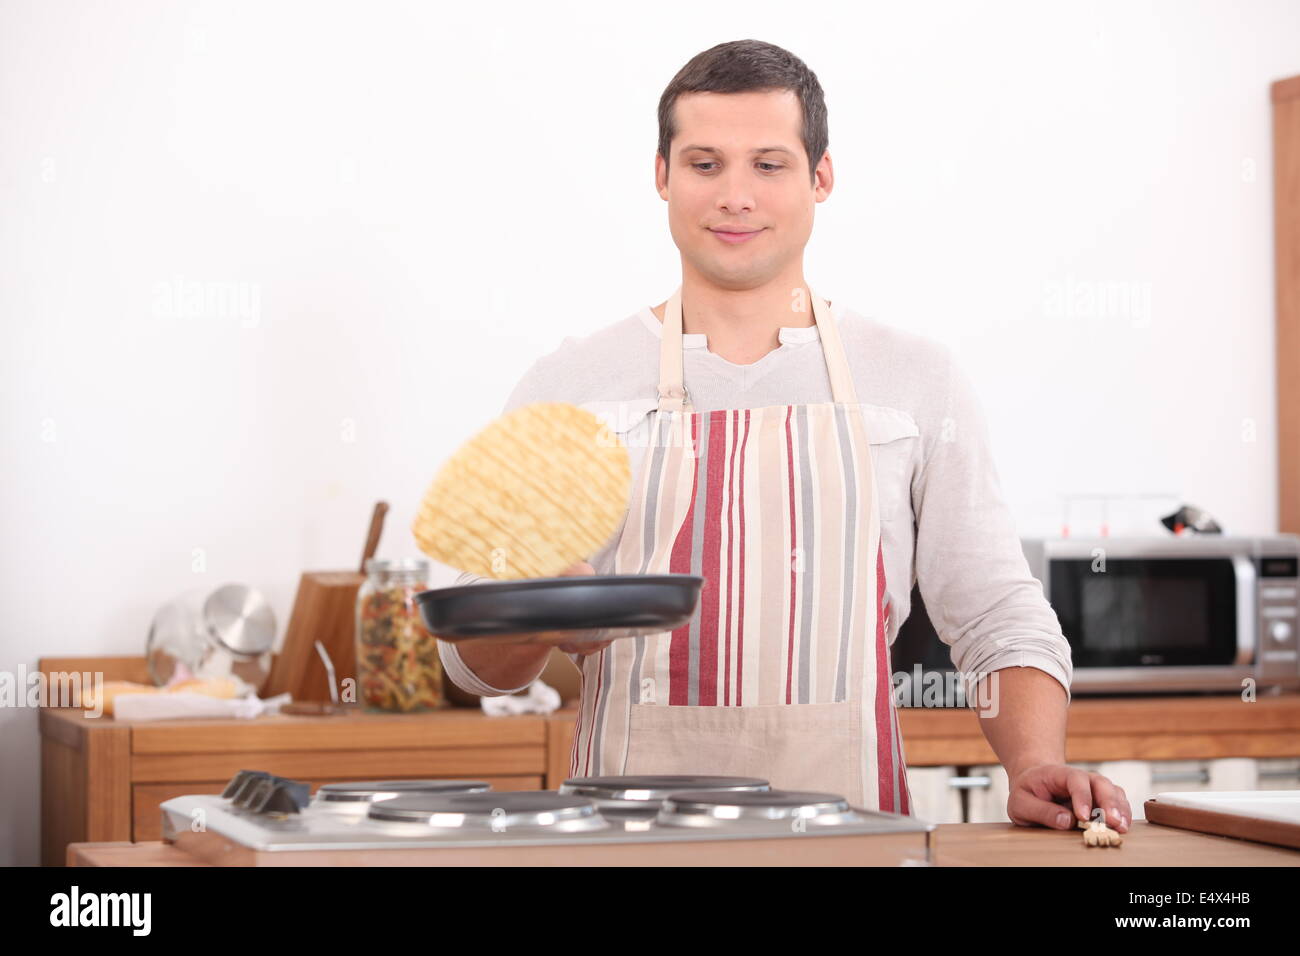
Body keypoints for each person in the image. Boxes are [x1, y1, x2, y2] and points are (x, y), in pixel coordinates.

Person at [438, 38, 1131, 832]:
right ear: (661, 176)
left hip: (856, 839)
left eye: (768, 164)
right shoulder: (569, 387)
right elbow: (469, 663)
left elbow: (996, 615)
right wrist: (533, 621)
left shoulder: (914, 380)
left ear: (820, 177)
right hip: (624, 845)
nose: (736, 195)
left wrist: (1034, 762)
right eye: (704, 164)